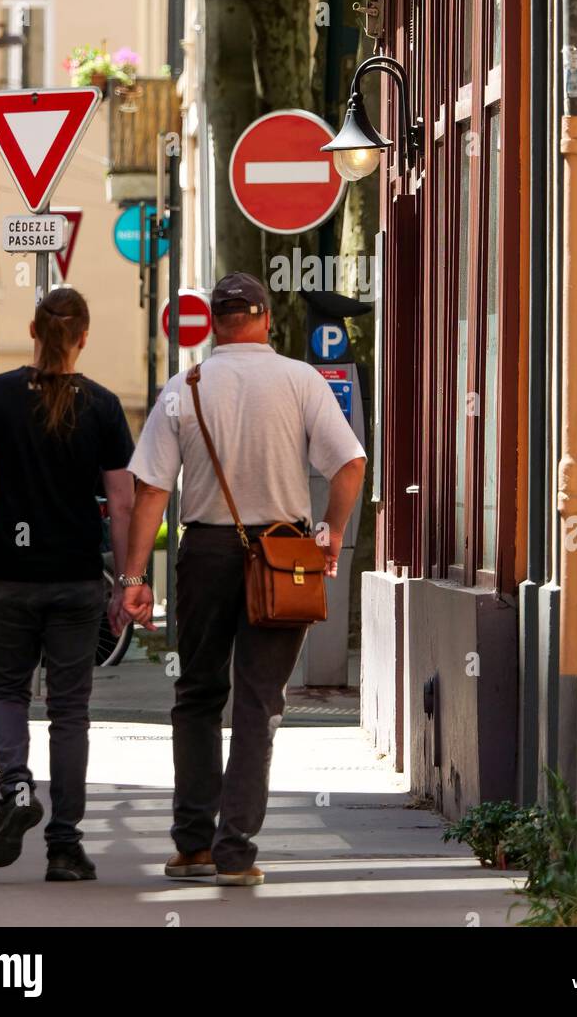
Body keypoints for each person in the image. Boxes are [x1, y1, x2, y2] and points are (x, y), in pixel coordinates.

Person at [122, 272, 366, 886]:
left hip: (205, 553)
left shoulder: (186, 386)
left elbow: (150, 488)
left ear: (215, 321)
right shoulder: (300, 379)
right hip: (283, 557)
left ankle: (192, 846)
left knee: (197, 695)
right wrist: (331, 536)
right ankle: (237, 853)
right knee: (259, 703)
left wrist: (131, 576)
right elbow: (351, 463)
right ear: (262, 318)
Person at [0, 287, 135, 882]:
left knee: (6, 691)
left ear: (34, 333)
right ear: (82, 336)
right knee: (69, 711)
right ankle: (64, 847)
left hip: (12, 575)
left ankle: (14, 789)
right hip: (78, 578)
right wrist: (127, 581)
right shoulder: (105, 407)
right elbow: (122, 499)